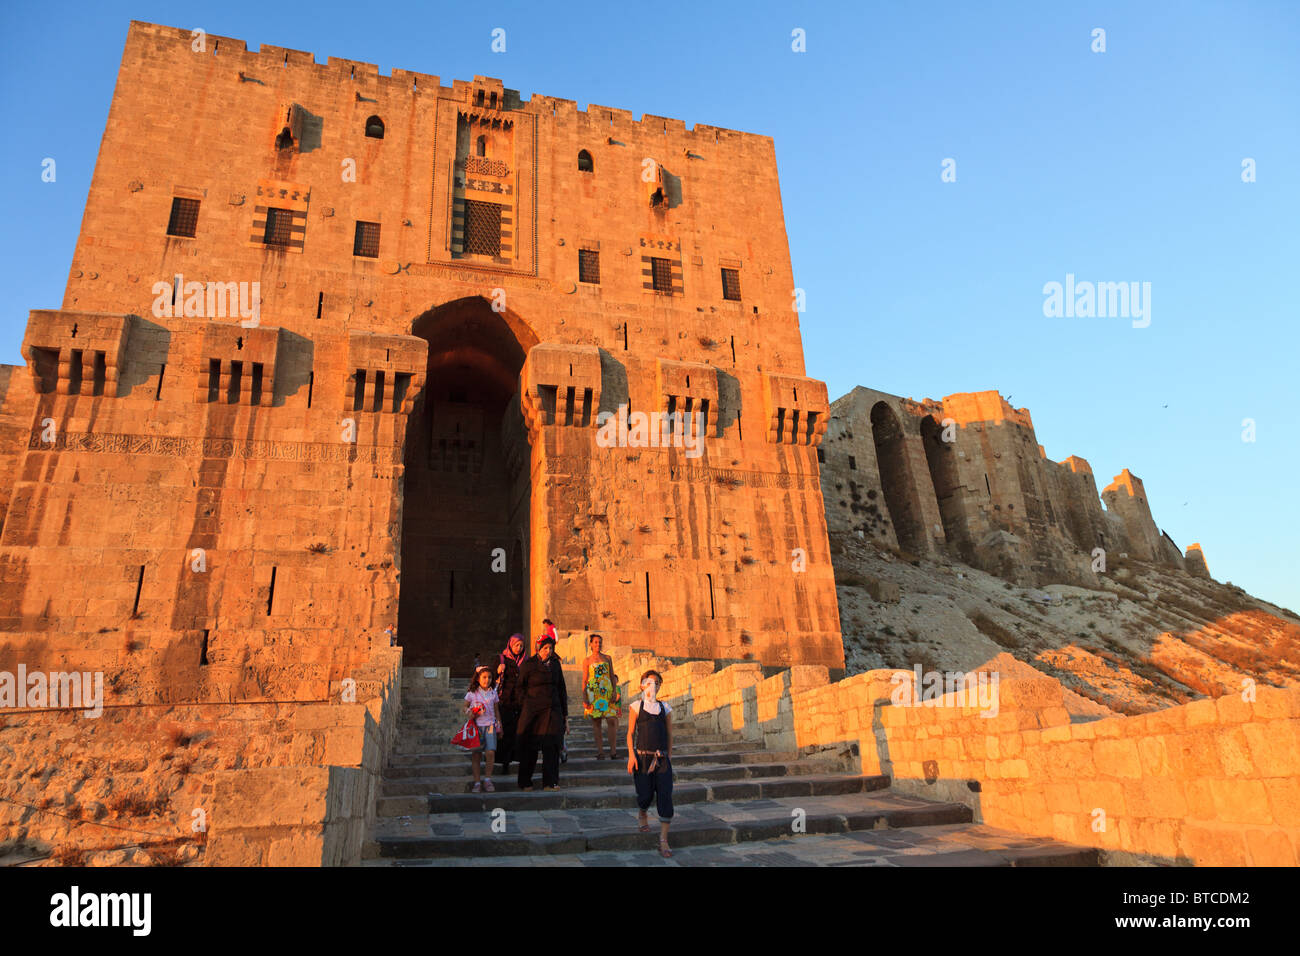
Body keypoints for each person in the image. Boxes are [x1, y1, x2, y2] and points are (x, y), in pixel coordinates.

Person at [626, 669, 673, 858]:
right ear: (643, 684)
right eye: (651, 682)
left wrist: (668, 756)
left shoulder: (666, 708)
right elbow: (630, 733)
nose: (654, 686)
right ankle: (643, 811)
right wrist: (631, 755)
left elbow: (670, 734)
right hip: (642, 759)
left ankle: (663, 840)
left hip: (661, 760)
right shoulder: (636, 706)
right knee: (644, 795)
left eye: (658, 683)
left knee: (665, 796)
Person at [516, 635, 568, 791]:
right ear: (538, 648)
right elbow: (520, 688)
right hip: (533, 713)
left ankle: (550, 782)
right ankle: (525, 782)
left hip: (553, 712)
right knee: (530, 747)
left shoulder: (555, 665)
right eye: (545, 648)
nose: (548, 651)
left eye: (551, 648)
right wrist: (526, 704)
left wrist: (565, 715)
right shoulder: (529, 665)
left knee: (552, 747)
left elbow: (561, 689)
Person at [582, 634, 621, 760]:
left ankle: (613, 752)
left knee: (611, 719)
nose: (598, 644)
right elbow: (584, 680)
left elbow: (611, 676)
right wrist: (584, 697)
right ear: (591, 644)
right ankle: (600, 752)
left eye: (600, 642)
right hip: (594, 693)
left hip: (607, 691)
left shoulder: (608, 658)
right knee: (596, 722)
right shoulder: (587, 661)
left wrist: (614, 691)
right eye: (595, 642)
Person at [464, 666, 502, 793]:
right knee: (476, 754)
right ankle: (476, 782)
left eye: (490, 677)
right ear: (478, 678)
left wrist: (499, 724)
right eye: (484, 677)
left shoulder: (493, 693)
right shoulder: (472, 693)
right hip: (477, 727)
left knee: (490, 752)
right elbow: (465, 707)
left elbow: (496, 710)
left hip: (490, 726)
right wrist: (469, 712)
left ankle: (487, 779)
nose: (487, 680)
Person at [495, 633, 527, 776]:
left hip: (520, 702)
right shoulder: (502, 659)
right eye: (516, 645)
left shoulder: (526, 661)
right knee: (505, 733)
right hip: (505, 702)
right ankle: (504, 763)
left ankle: (516, 760)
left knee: (517, 733)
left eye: (521, 645)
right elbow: (491, 676)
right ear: (510, 645)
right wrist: (497, 671)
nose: (519, 648)